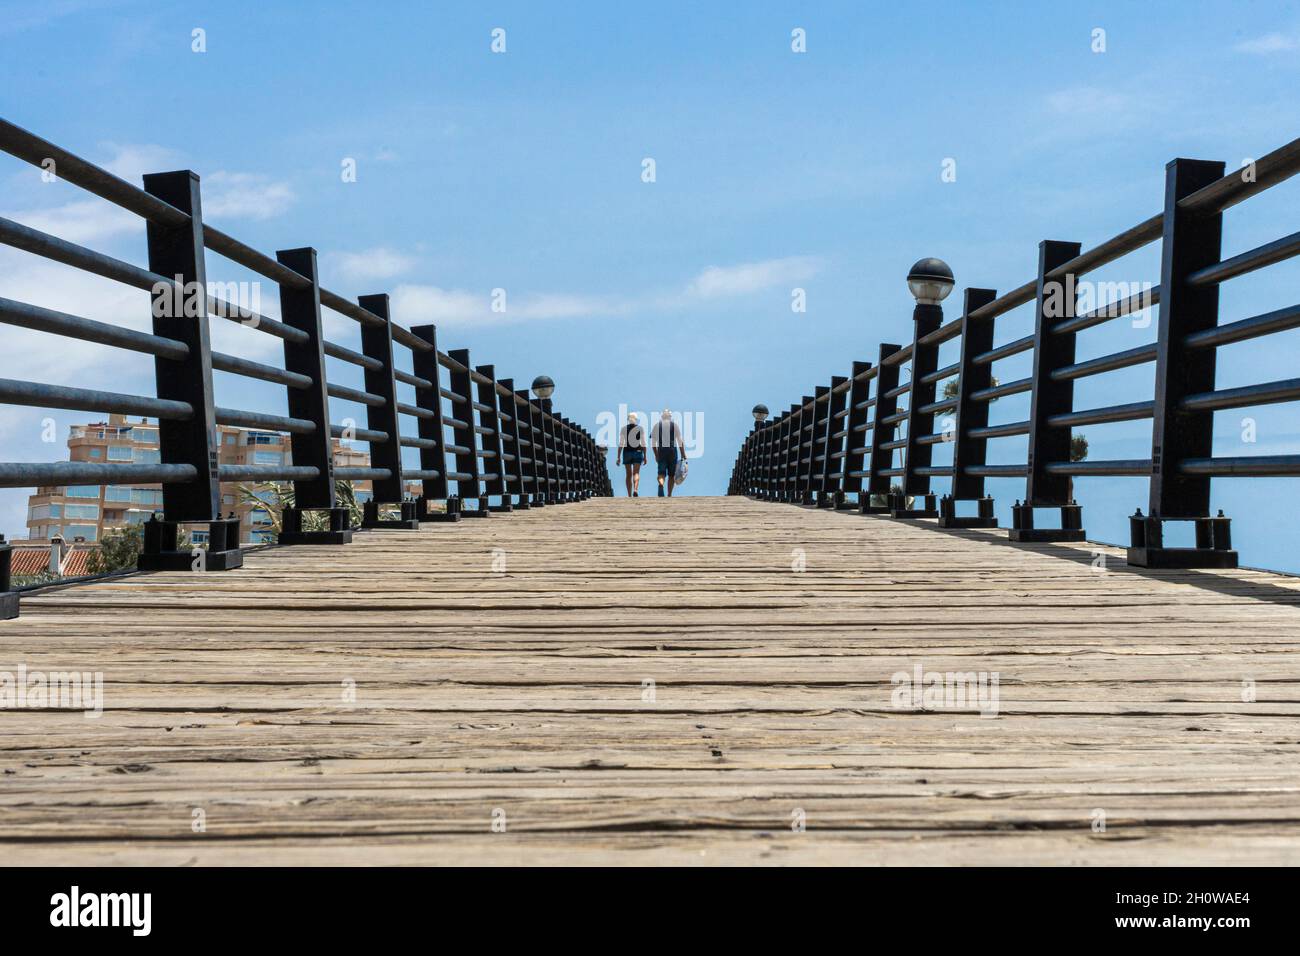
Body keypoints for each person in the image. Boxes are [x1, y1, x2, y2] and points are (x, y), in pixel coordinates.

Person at [651, 408, 687, 497]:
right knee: (671, 474)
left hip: (661, 451)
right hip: (672, 451)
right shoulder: (674, 426)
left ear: (662, 416)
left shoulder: (657, 426)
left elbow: (653, 444)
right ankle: (669, 494)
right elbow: (680, 441)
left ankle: (661, 484)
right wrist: (683, 454)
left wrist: (656, 455)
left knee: (661, 473)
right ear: (670, 417)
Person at [616, 412, 646, 496]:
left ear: (628, 420)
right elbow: (643, 443)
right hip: (638, 451)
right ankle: (635, 490)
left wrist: (618, 457)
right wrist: (645, 456)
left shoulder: (624, 429)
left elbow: (621, 443)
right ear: (636, 420)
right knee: (636, 473)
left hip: (627, 452)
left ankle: (629, 494)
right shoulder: (640, 428)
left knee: (628, 474)